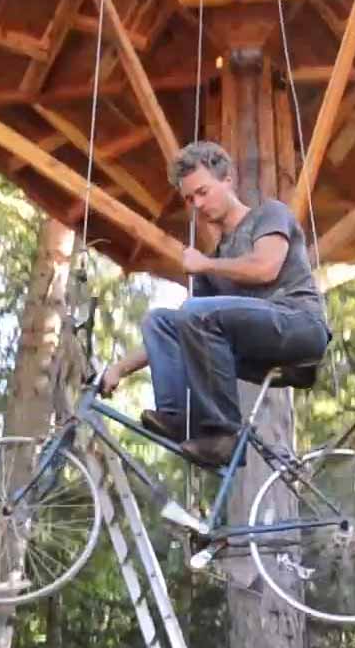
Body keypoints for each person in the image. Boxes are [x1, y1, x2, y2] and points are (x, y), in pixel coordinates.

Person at [98, 141, 330, 466]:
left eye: (203, 192)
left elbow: (265, 267)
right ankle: (179, 417)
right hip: (252, 352)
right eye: (190, 199)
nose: (197, 204)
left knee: (194, 312)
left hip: (300, 327)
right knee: (161, 320)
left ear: (228, 180)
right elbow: (183, 327)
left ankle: (224, 436)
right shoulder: (215, 262)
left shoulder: (269, 214)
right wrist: (119, 369)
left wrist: (204, 265)